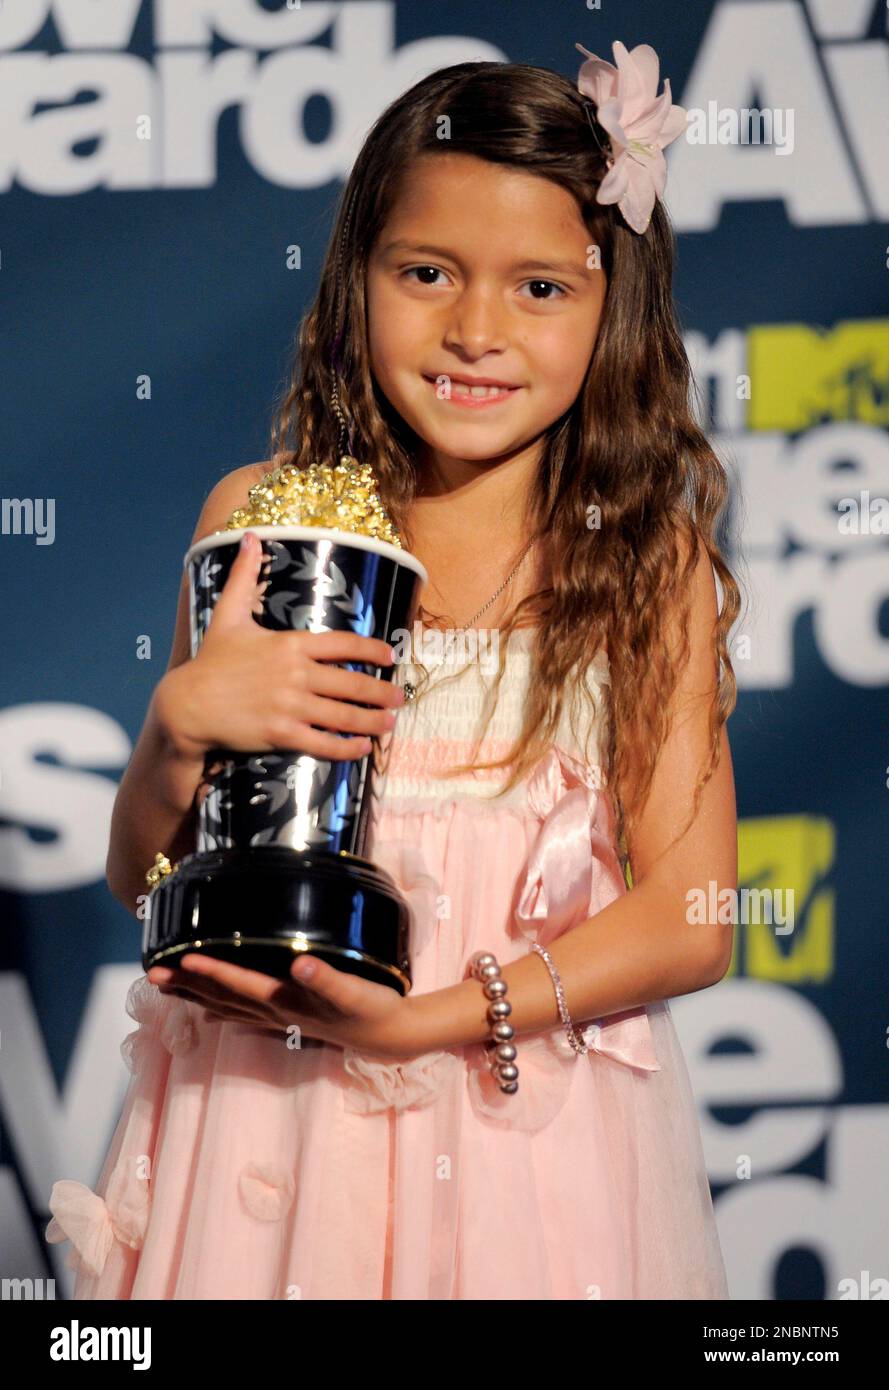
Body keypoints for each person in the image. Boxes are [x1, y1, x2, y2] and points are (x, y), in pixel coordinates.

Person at [45, 40, 742, 1300]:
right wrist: (177, 729)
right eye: (426, 272)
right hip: (265, 1116)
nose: (476, 330)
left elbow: (691, 919)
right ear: (354, 280)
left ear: (611, 305)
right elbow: (141, 873)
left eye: (540, 287)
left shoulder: (640, 560)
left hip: (514, 1128)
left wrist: (421, 1020)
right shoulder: (269, 518)